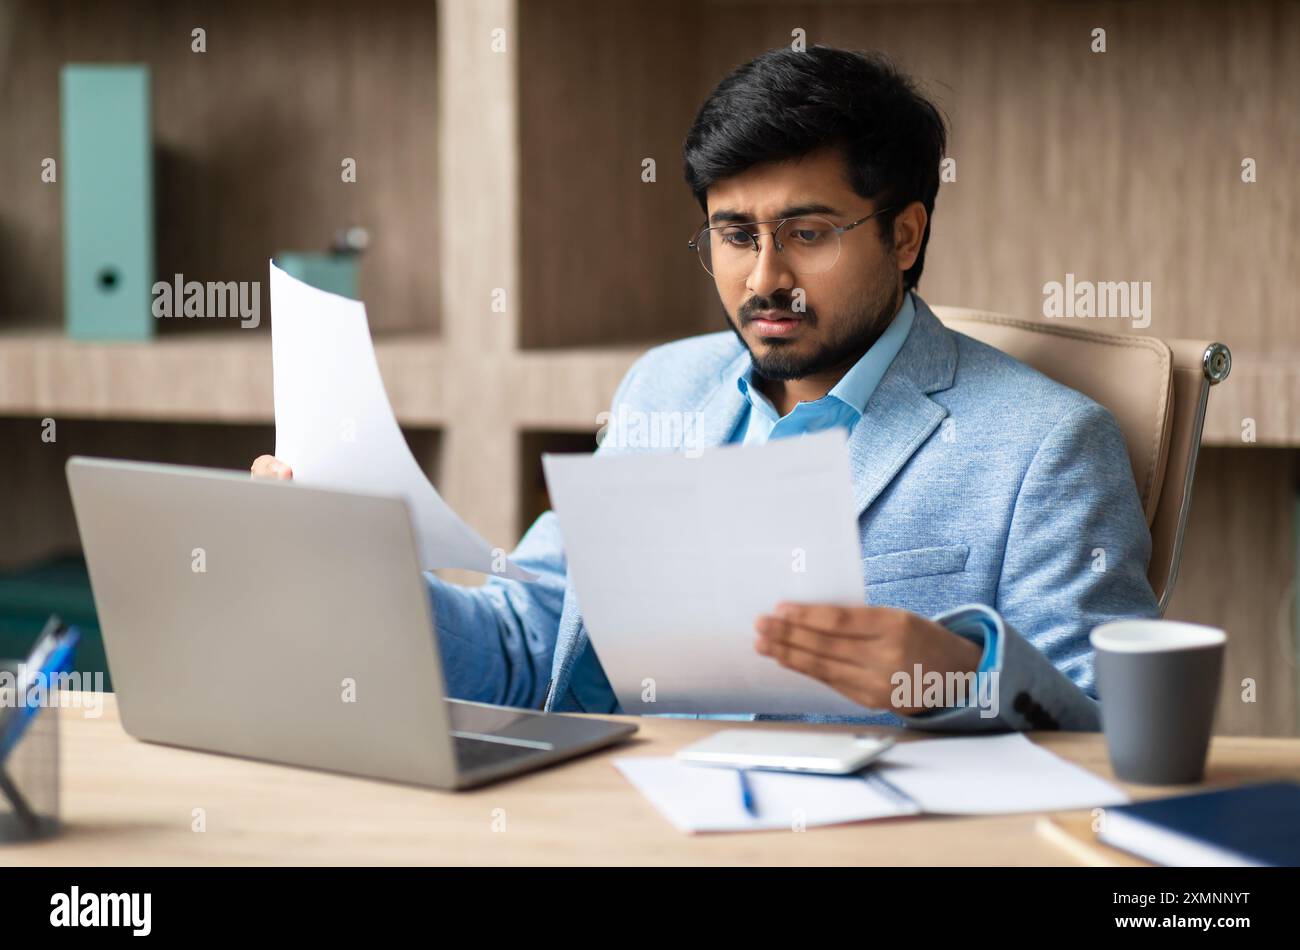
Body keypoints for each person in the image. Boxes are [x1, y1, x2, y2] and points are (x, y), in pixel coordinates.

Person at [252, 46, 1157, 731]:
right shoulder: (665, 386)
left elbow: (1114, 727)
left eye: (808, 232)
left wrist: (961, 675)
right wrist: (354, 575)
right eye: (733, 234)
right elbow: (531, 651)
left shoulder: (1046, 443)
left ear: (906, 234)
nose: (765, 277)